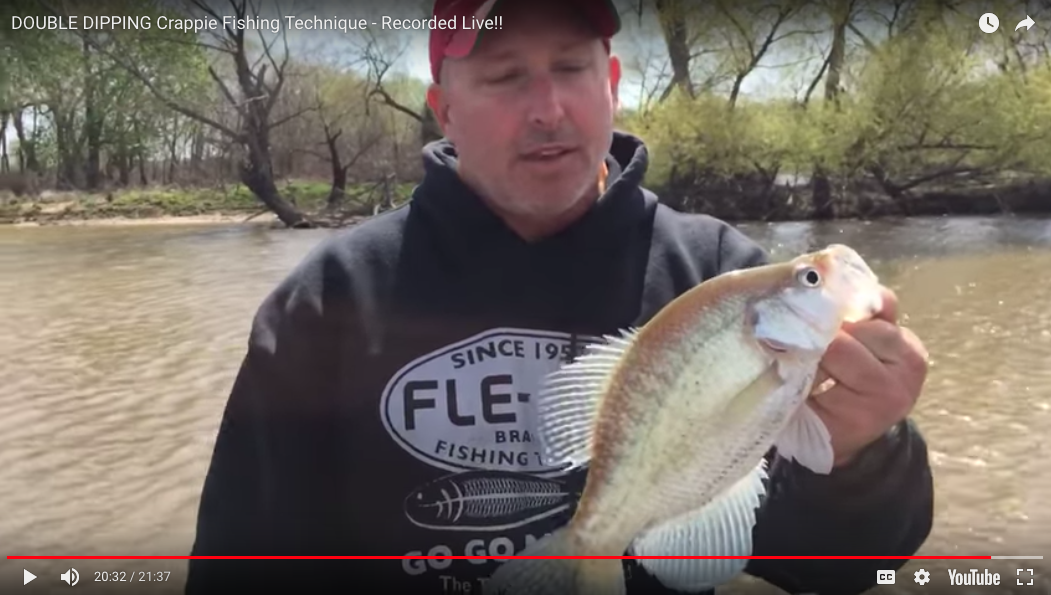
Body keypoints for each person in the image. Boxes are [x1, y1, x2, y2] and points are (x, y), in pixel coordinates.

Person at [184, 0, 934, 593]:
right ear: (444, 109)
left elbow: (839, 566)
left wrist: (863, 450)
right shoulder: (328, 299)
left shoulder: (717, 272)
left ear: (611, 85)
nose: (547, 107)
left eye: (572, 67)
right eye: (505, 76)